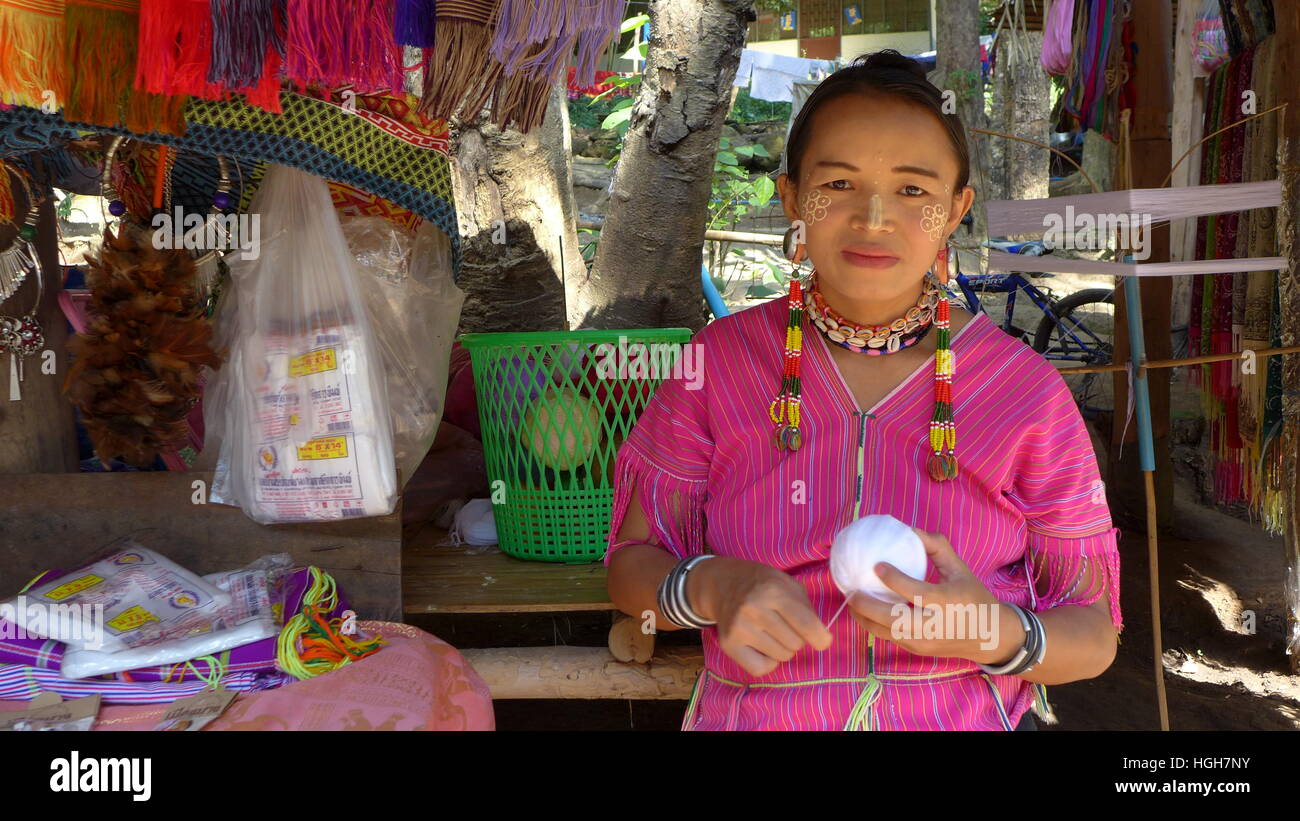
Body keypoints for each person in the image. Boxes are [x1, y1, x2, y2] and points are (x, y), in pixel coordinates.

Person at [604, 50, 1123, 731]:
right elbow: (630, 575)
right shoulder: (716, 367)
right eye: (840, 182)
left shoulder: (1025, 392)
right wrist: (712, 586)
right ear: (793, 199)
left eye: (913, 190)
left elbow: (1094, 635)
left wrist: (992, 632)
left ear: (956, 209)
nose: (874, 216)